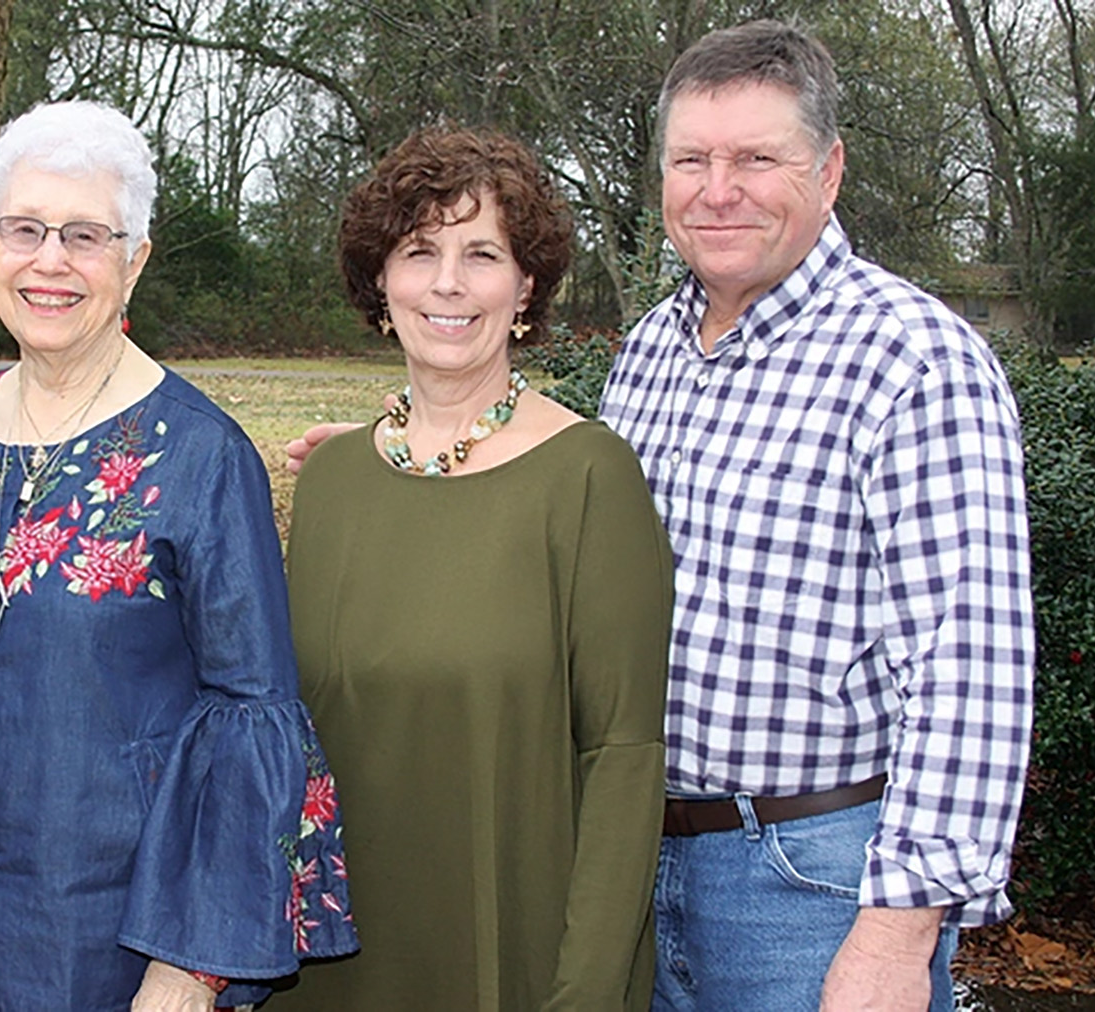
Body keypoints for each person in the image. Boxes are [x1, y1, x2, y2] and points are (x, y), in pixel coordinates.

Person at [0, 99, 356, 1012]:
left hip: (111, 950)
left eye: (85, 235)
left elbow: (249, 715)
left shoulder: (200, 456)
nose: (50, 261)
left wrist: (191, 963)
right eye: (25, 229)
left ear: (136, 258)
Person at [605, 21, 1034, 1011]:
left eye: (758, 158)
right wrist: (421, 460)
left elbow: (970, 665)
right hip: (637, 860)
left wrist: (898, 930)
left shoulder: (913, 361)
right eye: (691, 160)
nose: (719, 189)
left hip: (814, 880)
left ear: (829, 170)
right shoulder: (647, 357)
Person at [271, 126, 672, 1011]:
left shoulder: (589, 476)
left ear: (526, 284)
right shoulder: (333, 480)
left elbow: (624, 759)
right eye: (419, 252)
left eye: (481, 253)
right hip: (327, 962)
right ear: (381, 281)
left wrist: (586, 991)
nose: (447, 283)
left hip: (510, 954)